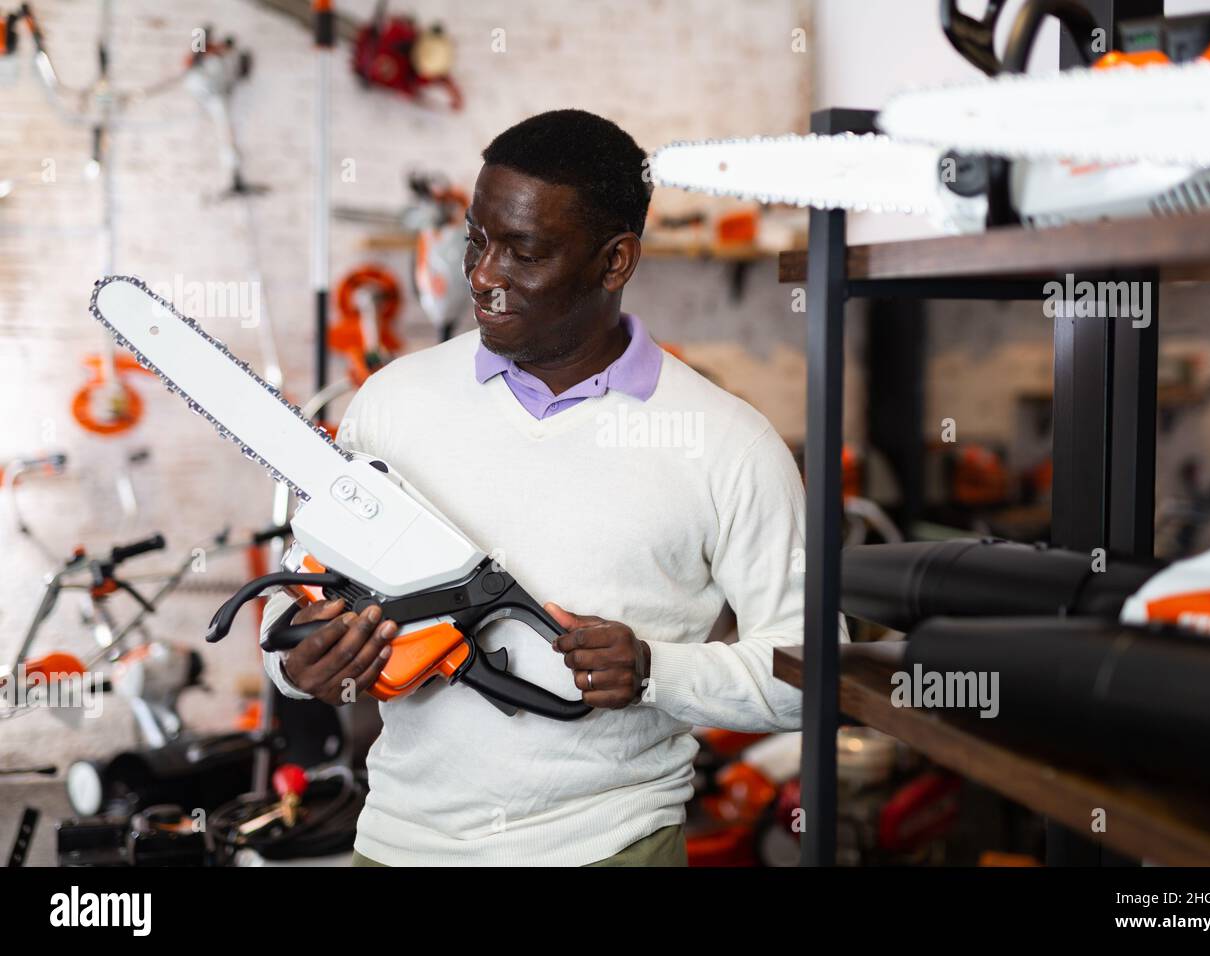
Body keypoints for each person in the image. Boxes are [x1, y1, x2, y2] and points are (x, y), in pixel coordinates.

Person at [261, 108, 848, 866]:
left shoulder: (727, 444)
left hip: (609, 847)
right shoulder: (390, 404)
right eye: (477, 239)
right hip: (397, 845)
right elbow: (296, 596)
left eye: (523, 252)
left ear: (614, 262)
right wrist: (297, 664)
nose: (482, 276)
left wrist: (657, 672)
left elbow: (815, 671)